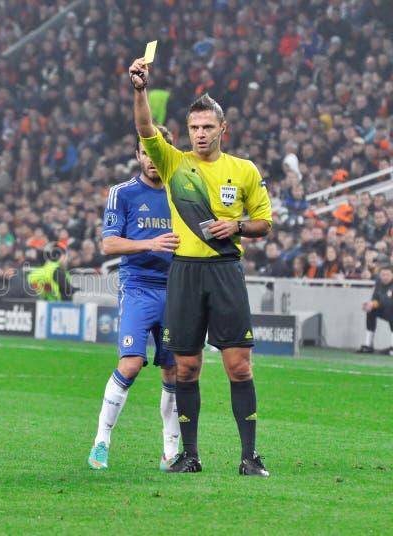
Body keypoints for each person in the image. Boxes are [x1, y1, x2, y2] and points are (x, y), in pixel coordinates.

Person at [130, 56, 273, 477]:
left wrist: (239, 226)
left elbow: (264, 222)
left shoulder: (243, 170)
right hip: (186, 273)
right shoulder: (174, 162)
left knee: (239, 365)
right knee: (186, 367)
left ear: (222, 130)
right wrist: (140, 90)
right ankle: (189, 456)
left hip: (226, 271)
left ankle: (249, 457)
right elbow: (143, 128)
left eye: (208, 127)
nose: (200, 134)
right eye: (194, 128)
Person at [87, 125, 181, 472]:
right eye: (145, 152)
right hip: (138, 287)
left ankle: (170, 450)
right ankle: (101, 441)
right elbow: (109, 244)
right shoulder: (122, 193)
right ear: (138, 155)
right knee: (130, 364)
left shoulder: (180, 191)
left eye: (157, 152)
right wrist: (150, 243)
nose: (151, 159)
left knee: (174, 370)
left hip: (176, 289)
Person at [357, 265, 393, 356]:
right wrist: (369, 304)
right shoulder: (378, 282)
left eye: (387, 275)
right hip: (385, 309)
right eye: (383, 275)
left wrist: (374, 304)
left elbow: (388, 301)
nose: (385, 277)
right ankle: (368, 345)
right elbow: (375, 297)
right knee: (370, 311)